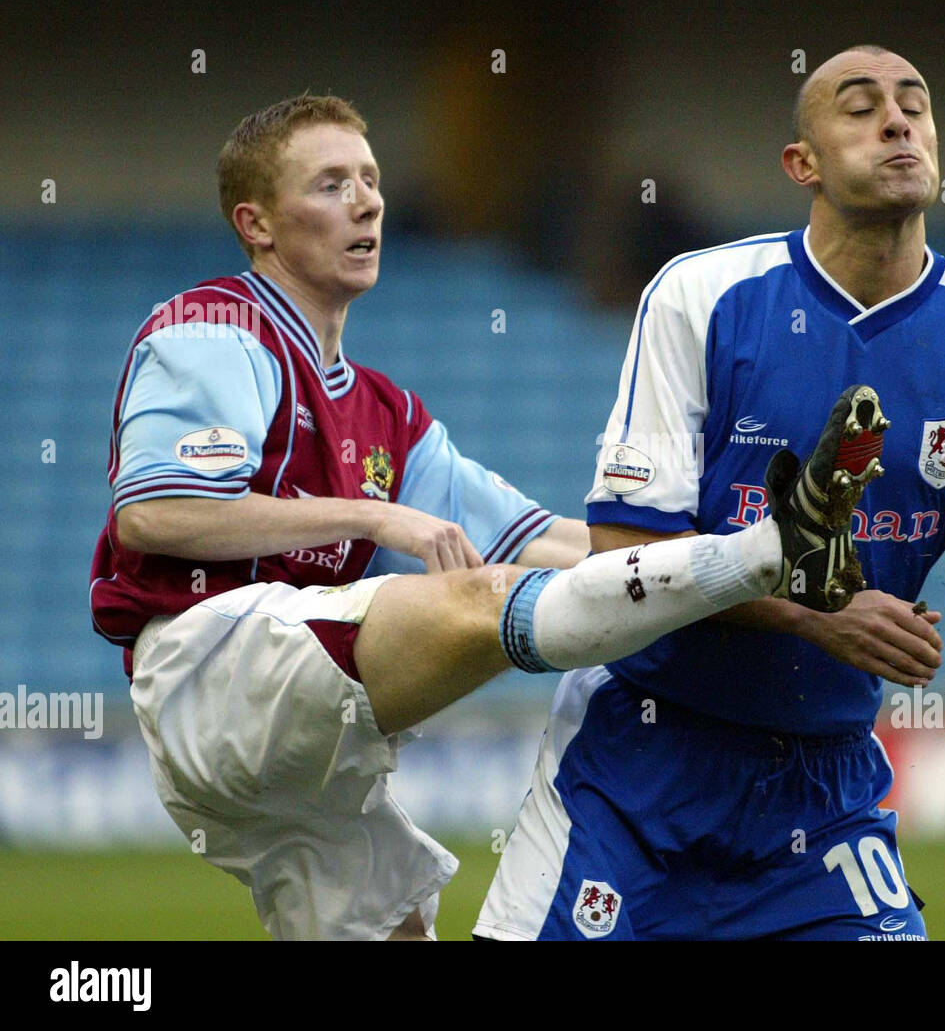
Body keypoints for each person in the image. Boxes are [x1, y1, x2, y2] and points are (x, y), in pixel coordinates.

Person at [87, 95, 881, 941]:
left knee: (400, 927)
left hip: (299, 762)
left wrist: (743, 581)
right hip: (211, 671)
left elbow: (561, 543)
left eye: (371, 180)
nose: (366, 202)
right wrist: (381, 518)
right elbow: (158, 513)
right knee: (480, 602)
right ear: (258, 224)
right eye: (330, 185)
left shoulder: (386, 411)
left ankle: (765, 556)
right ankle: (768, 546)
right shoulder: (215, 328)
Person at [475, 46, 945, 941]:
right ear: (801, 164)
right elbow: (623, 558)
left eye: (915, 106)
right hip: (636, 769)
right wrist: (812, 616)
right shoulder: (703, 296)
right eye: (861, 106)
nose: (897, 120)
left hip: (825, 786)